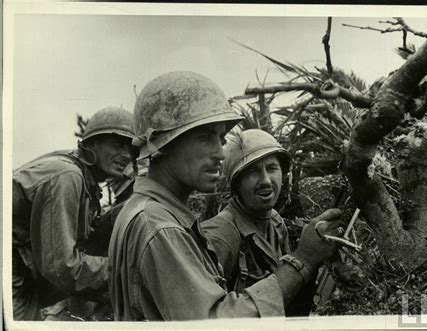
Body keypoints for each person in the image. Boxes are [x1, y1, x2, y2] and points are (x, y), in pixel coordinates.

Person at [108, 71, 344, 321]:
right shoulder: (159, 227)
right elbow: (215, 322)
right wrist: (303, 260)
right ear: (162, 142)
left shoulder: (150, 212)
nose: (220, 154)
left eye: (220, 139)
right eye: (205, 137)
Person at [12, 107, 135, 320]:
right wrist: (130, 274)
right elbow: (62, 267)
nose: (126, 155)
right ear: (91, 144)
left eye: (131, 149)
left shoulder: (83, 178)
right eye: (117, 144)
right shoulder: (67, 176)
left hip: (22, 274)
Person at [201, 129, 313, 316]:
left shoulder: (276, 222)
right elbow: (206, 317)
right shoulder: (219, 236)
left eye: (271, 168)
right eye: (253, 172)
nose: (266, 180)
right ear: (237, 184)